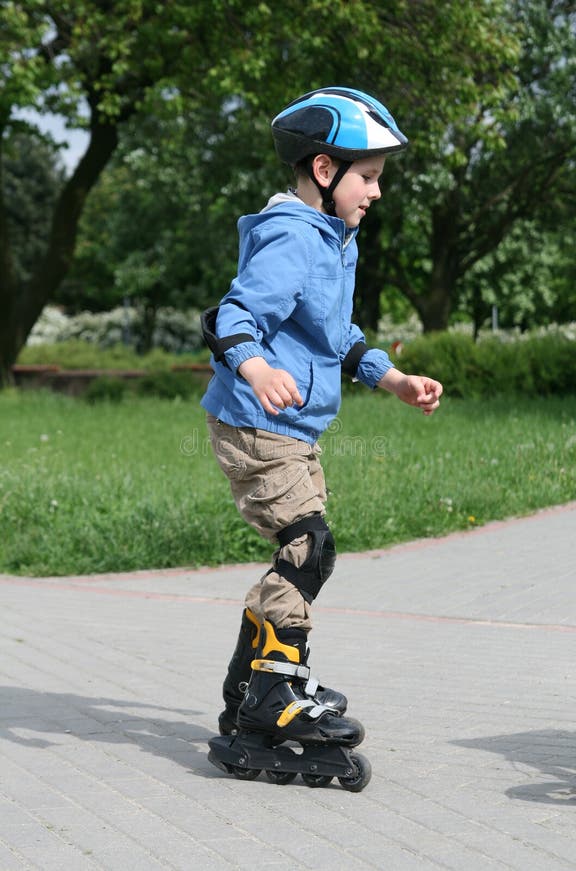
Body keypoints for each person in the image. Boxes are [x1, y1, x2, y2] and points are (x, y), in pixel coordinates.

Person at [201, 87, 443, 768]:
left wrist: (391, 379)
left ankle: (253, 686)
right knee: (308, 547)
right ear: (324, 170)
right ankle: (270, 696)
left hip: (291, 428)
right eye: (368, 178)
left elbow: (336, 335)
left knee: (308, 551)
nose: (376, 193)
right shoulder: (291, 238)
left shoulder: (333, 241)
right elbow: (233, 314)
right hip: (257, 421)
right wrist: (252, 367)